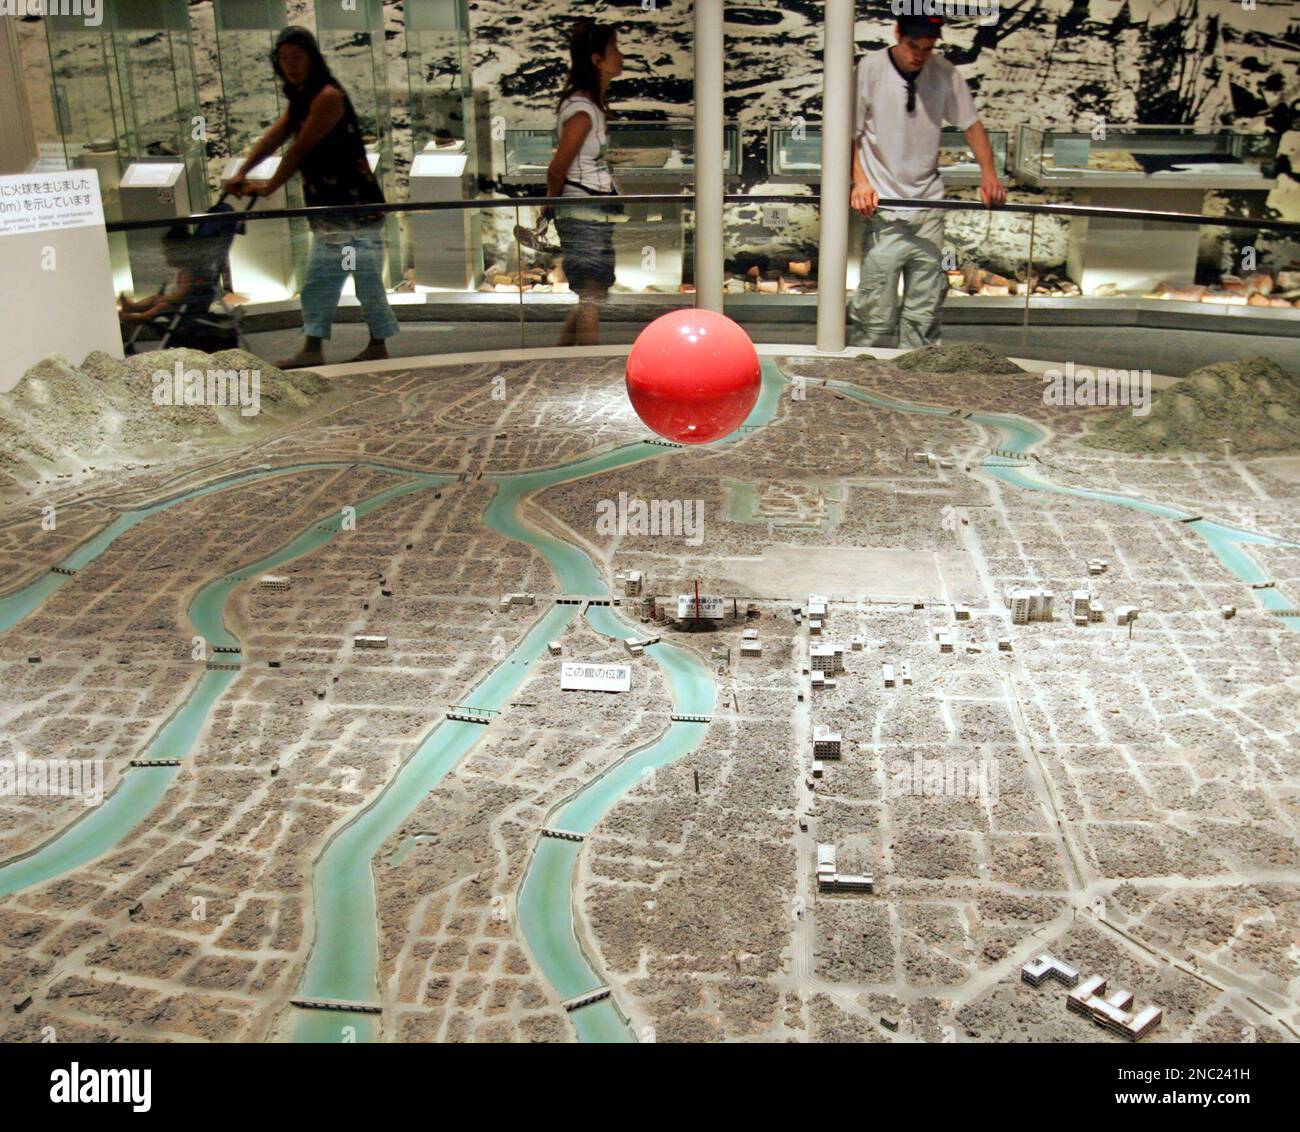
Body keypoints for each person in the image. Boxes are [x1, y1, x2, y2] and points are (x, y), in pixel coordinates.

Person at [223, 25, 397, 369]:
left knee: (365, 281)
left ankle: (375, 344)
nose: (291, 65)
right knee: (319, 281)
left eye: (297, 57)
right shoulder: (303, 97)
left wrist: (269, 186)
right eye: (284, 58)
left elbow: (300, 148)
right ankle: (313, 348)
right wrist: (243, 171)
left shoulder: (328, 96)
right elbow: (275, 138)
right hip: (329, 210)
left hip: (356, 209)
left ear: (312, 58)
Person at [848, 13, 1006, 349]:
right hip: (884, 208)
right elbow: (849, 133)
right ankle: (864, 369)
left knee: (925, 306)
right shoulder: (870, 70)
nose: (919, 54)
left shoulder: (944, 72)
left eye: (927, 47)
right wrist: (860, 182)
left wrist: (989, 175)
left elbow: (972, 124)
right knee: (875, 308)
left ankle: (917, 373)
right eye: (913, 46)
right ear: (897, 34)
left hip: (928, 208)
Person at [542, 19, 625, 346]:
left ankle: (560, 357)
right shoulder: (582, 110)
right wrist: (550, 203)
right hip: (583, 208)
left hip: (592, 207)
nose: (620, 56)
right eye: (614, 49)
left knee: (593, 294)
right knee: (591, 292)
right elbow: (557, 168)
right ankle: (589, 365)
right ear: (596, 59)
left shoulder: (589, 106)